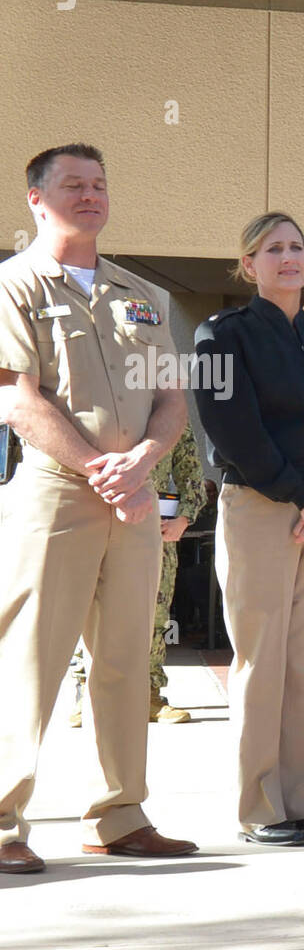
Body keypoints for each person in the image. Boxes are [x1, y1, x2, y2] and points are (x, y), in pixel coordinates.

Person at [0, 143, 196, 873]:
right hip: (55, 495)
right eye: (73, 185)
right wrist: (98, 468)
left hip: (133, 501)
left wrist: (141, 464)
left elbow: (173, 399)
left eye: (99, 185)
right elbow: (17, 398)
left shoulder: (143, 296)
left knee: (123, 660)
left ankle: (119, 814)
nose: (90, 196)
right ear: (35, 199)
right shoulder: (16, 285)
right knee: (30, 662)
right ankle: (1, 819)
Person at [194, 213, 304, 846]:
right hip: (262, 506)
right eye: (274, 249)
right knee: (262, 659)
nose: (289, 257)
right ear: (250, 265)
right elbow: (232, 426)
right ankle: (261, 807)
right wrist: (301, 495)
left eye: (297, 247)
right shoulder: (221, 334)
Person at [67, 422, 207, 728]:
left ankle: (149, 695)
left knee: (153, 616)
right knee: (90, 611)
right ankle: (85, 696)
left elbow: (191, 475)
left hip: (154, 531)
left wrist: (183, 519)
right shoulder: (98, 413)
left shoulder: (169, 421)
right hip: (95, 524)